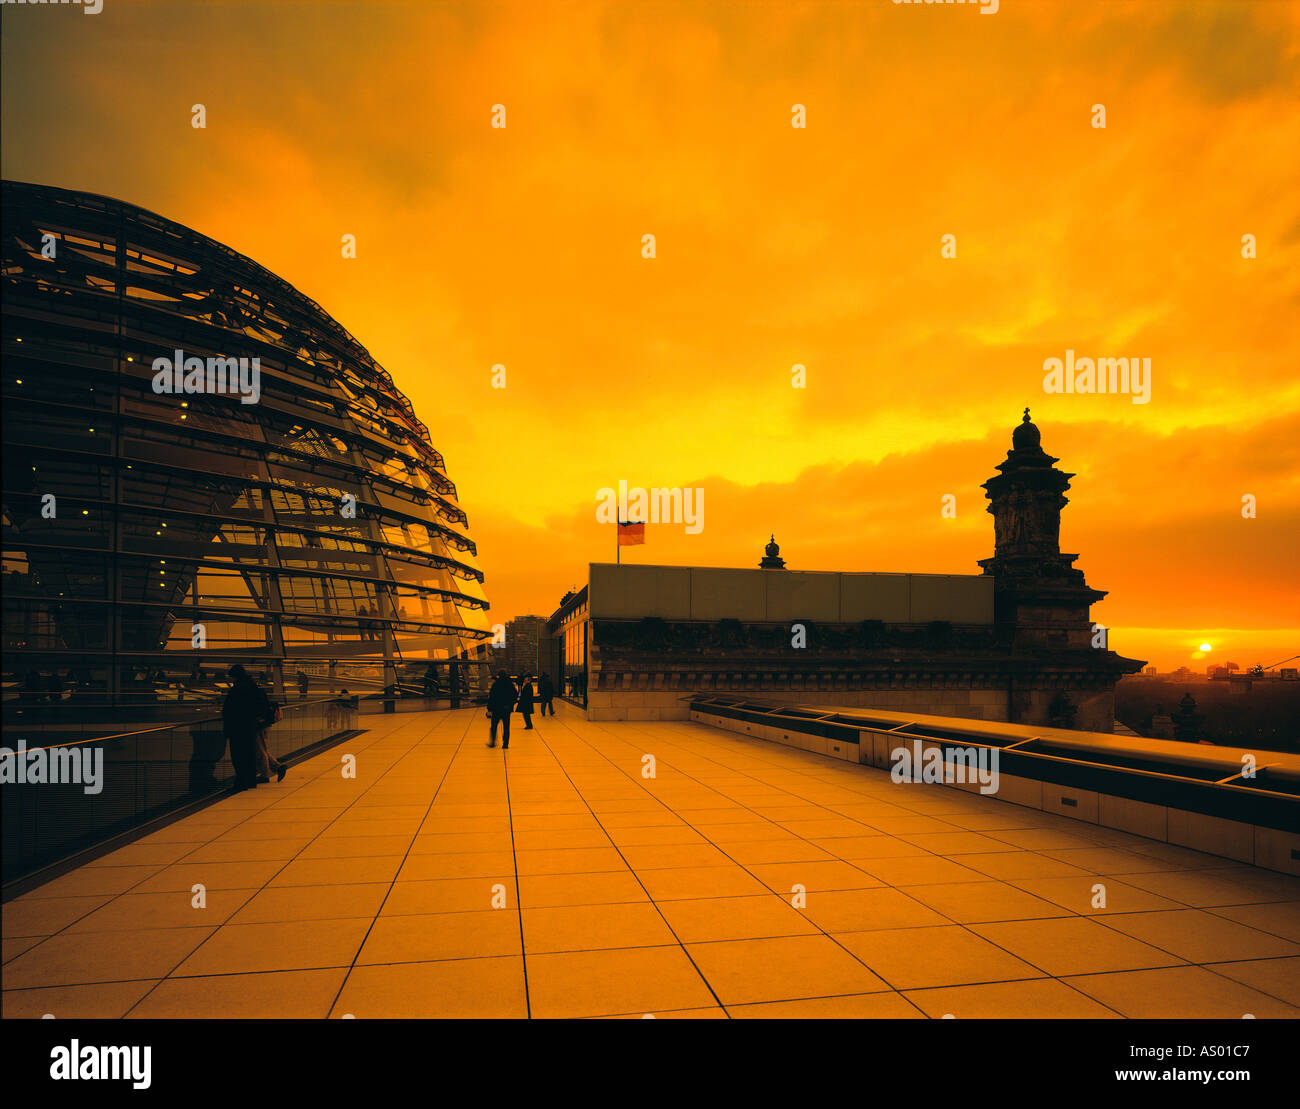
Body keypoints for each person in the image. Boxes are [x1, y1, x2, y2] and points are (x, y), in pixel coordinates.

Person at [222, 665, 272, 791]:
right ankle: (250, 780)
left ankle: (242, 781)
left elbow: (230, 709)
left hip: (237, 726)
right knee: (250, 753)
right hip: (250, 725)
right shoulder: (253, 686)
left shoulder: (237, 689)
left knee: (239, 755)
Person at [486, 670, 517, 749]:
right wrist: (510, 705)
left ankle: (493, 742)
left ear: (498, 675)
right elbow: (514, 696)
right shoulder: (510, 684)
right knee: (506, 727)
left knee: (494, 726)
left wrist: (489, 709)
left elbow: (491, 697)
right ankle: (505, 744)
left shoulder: (496, 684)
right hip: (506, 709)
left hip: (496, 709)